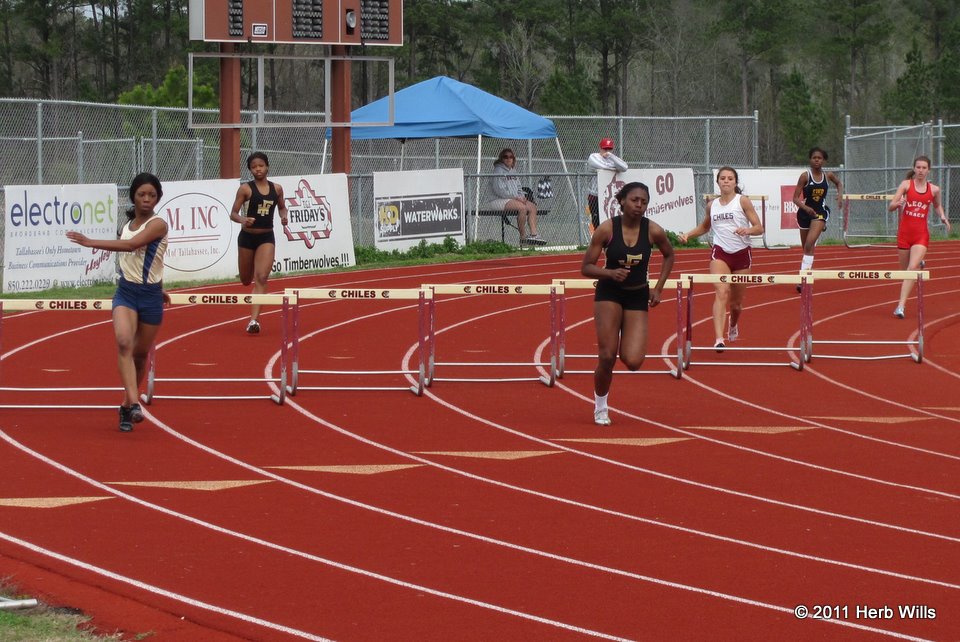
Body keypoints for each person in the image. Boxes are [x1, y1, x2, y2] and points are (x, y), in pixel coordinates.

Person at [66, 173, 169, 432]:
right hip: (126, 293)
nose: (147, 199)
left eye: (152, 195)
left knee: (140, 354)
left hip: (150, 297)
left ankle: (125, 405)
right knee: (124, 342)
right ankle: (135, 404)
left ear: (158, 198)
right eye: (142, 194)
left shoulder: (159, 224)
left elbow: (133, 246)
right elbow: (134, 261)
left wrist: (90, 242)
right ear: (133, 196)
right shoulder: (127, 224)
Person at [581, 182, 675, 426]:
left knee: (633, 361)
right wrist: (610, 273)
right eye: (634, 200)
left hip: (637, 295)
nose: (639, 205)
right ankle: (601, 406)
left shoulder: (653, 230)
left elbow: (669, 254)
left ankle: (624, 345)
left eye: (644, 202)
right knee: (607, 355)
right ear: (622, 201)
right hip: (609, 293)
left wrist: (658, 287)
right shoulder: (606, 229)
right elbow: (586, 268)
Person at [678, 166, 763, 351]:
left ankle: (733, 324)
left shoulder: (743, 202)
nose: (726, 181)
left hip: (742, 254)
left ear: (735, 182)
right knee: (721, 292)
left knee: (736, 304)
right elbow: (704, 227)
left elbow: (759, 227)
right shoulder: (712, 205)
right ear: (717, 182)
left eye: (730, 178)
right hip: (720, 253)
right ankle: (718, 338)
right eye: (723, 178)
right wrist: (688, 235)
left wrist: (747, 230)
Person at [230, 151, 289, 333]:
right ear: (250, 169)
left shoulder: (277, 189)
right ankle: (253, 312)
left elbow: (282, 207)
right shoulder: (246, 189)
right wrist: (243, 220)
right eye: (254, 167)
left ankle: (254, 321)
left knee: (262, 277)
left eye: (261, 166)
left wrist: (283, 217)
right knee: (246, 280)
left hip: (266, 236)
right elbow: (233, 213)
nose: (258, 169)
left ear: (267, 167)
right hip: (247, 237)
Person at [888, 155, 950, 318]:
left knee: (911, 269)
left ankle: (900, 306)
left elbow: (937, 205)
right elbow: (891, 206)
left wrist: (943, 217)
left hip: (921, 235)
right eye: (918, 167)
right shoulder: (906, 185)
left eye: (924, 168)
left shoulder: (934, 189)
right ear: (914, 169)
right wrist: (898, 204)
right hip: (904, 234)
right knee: (904, 273)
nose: (921, 170)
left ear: (928, 170)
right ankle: (918, 261)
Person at [792, 147, 843, 288]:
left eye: (819, 158)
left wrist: (840, 196)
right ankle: (808, 273)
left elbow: (839, 183)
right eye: (814, 158)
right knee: (806, 249)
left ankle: (803, 280)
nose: (816, 160)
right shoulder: (805, 176)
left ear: (824, 161)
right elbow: (795, 198)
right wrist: (806, 208)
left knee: (809, 244)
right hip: (804, 213)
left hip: (819, 212)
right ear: (810, 159)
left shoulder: (828, 176)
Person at [488, 148, 543, 245]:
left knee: (532, 207)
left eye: (511, 157)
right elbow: (499, 190)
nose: (508, 159)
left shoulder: (513, 171)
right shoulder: (498, 170)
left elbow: (518, 188)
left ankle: (534, 235)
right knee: (522, 207)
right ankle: (523, 237)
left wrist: (522, 197)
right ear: (501, 158)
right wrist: (516, 198)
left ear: (513, 159)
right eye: (505, 157)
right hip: (498, 200)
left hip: (513, 199)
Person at [586, 138, 629, 229]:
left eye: (609, 149)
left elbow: (624, 167)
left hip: (609, 195)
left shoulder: (612, 158)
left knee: (610, 219)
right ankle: (599, 240)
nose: (607, 151)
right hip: (595, 194)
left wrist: (611, 156)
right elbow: (601, 166)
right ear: (600, 148)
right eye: (605, 149)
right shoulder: (594, 156)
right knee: (596, 219)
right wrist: (614, 168)